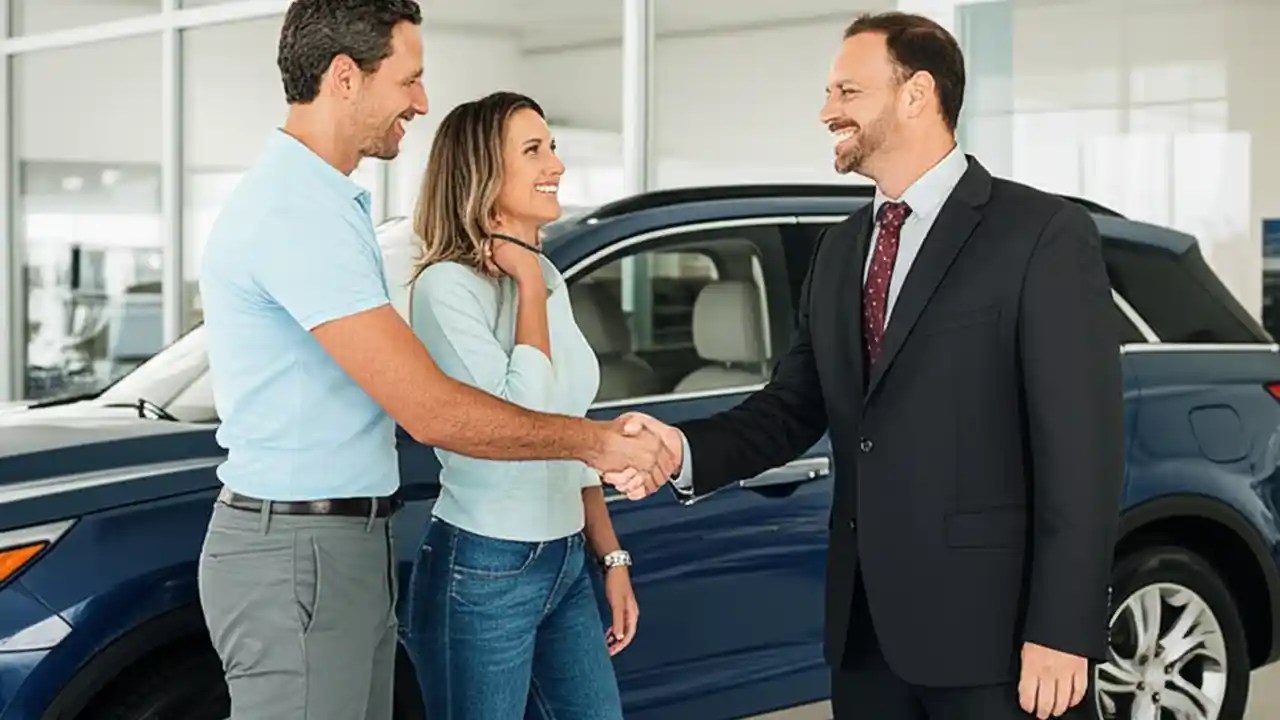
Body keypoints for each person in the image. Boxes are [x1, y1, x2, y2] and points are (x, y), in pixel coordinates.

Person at [611, 11, 1124, 720]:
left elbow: (1082, 452)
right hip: (865, 637)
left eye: (847, 92)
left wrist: (1063, 630)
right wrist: (684, 448)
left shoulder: (1040, 235)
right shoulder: (843, 246)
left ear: (917, 93)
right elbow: (793, 405)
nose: (826, 112)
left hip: (997, 641)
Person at [196, 3, 670, 719]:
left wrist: (606, 545)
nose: (420, 102)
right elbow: (433, 409)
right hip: (300, 547)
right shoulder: (297, 210)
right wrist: (602, 444)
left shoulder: (330, 205)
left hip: (342, 540)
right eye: (409, 80)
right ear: (346, 77)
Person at [402, 91, 634, 720]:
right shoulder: (447, 288)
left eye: (552, 146)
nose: (555, 164)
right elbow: (519, 419)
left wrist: (610, 556)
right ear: (482, 173)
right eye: (534, 150)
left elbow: (571, 428)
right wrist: (528, 280)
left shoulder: (547, 277)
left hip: (563, 559)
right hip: (486, 566)